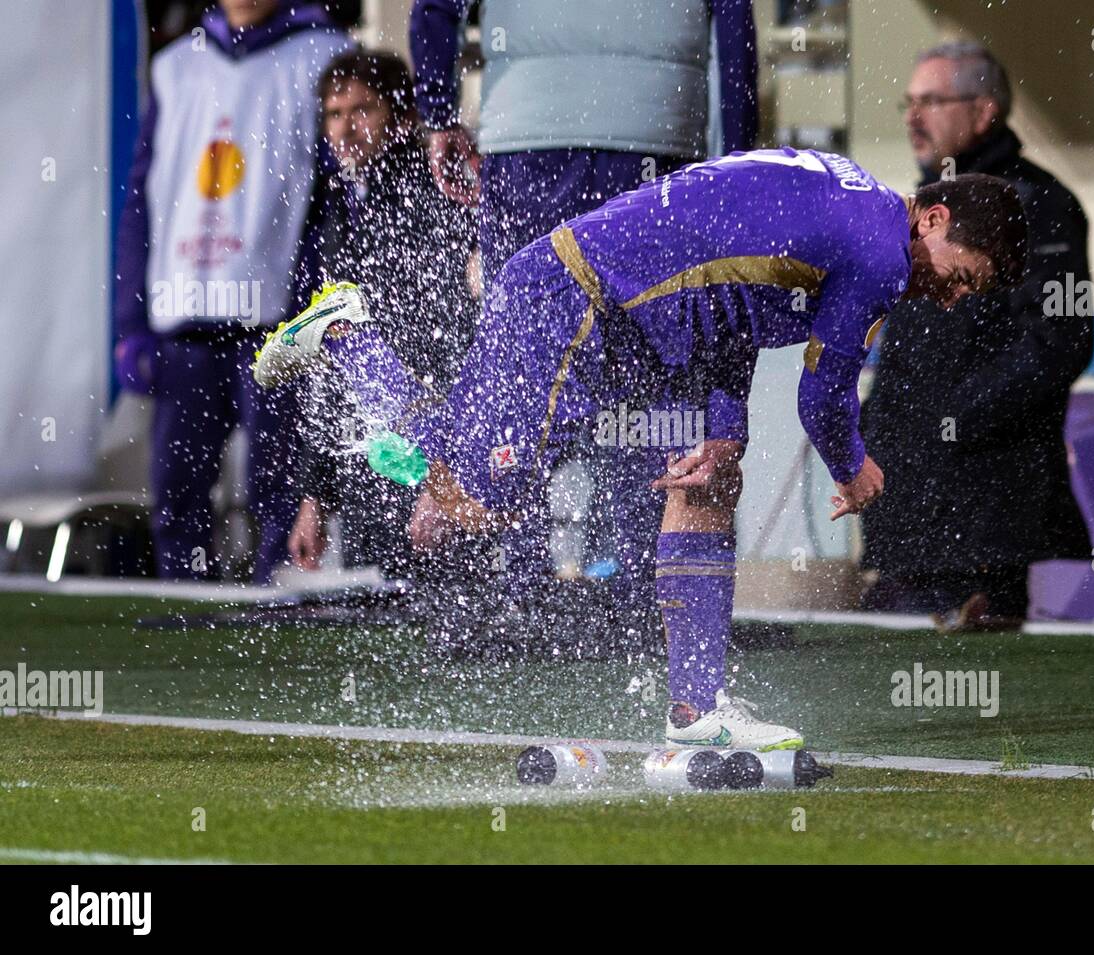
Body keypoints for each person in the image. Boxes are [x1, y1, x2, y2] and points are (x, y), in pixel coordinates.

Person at [253, 150, 1029, 749]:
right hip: (582, 303)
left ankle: (696, 711)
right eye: (969, 276)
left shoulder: (853, 197)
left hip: (598, 305)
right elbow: (822, 397)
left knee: (705, 482)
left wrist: (727, 432)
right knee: (468, 500)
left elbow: (741, 300)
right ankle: (348, 335)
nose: (956, 295)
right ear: (933, 220)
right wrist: (855, 467)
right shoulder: (885, 255)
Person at [409, 0, 758, 629]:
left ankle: (513, 585)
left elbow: (435, 7)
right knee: (657, 361)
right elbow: (734, 23)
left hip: (529, 140)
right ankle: (642, 585)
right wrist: (737, 152)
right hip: (657, 136)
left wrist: (437, 111)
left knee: (521, 362)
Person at [113, 0, 352, 583]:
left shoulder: (323, 55)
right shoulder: (175, 67)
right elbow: (141, 201)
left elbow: (335, 205)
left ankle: (281, 624)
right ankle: (184, 623)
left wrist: (311, 319)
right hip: (186, 319)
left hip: (274, 322)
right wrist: (130, 324)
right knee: (178, 491)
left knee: (278, 487)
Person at [859, 42, 1093, 626]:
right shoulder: (920, 206)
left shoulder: (1043, 206)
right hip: (907, 508)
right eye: (908, 102)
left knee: (984, 692)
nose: (913, 117)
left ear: (986, 111)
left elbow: (1058, 343)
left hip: (984, 515)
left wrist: (945, 424)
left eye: (932, 101)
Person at [286, 51, 477, 578]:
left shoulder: (438, 194)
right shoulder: (340, 204)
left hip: (440, 476)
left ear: (403, 115)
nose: (346, 129)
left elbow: (459, 347)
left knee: (450, 632)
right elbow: (334, 357)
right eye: (333, 114)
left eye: (362, 110)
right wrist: (315, 497)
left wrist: (446, 485)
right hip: (373, 464)